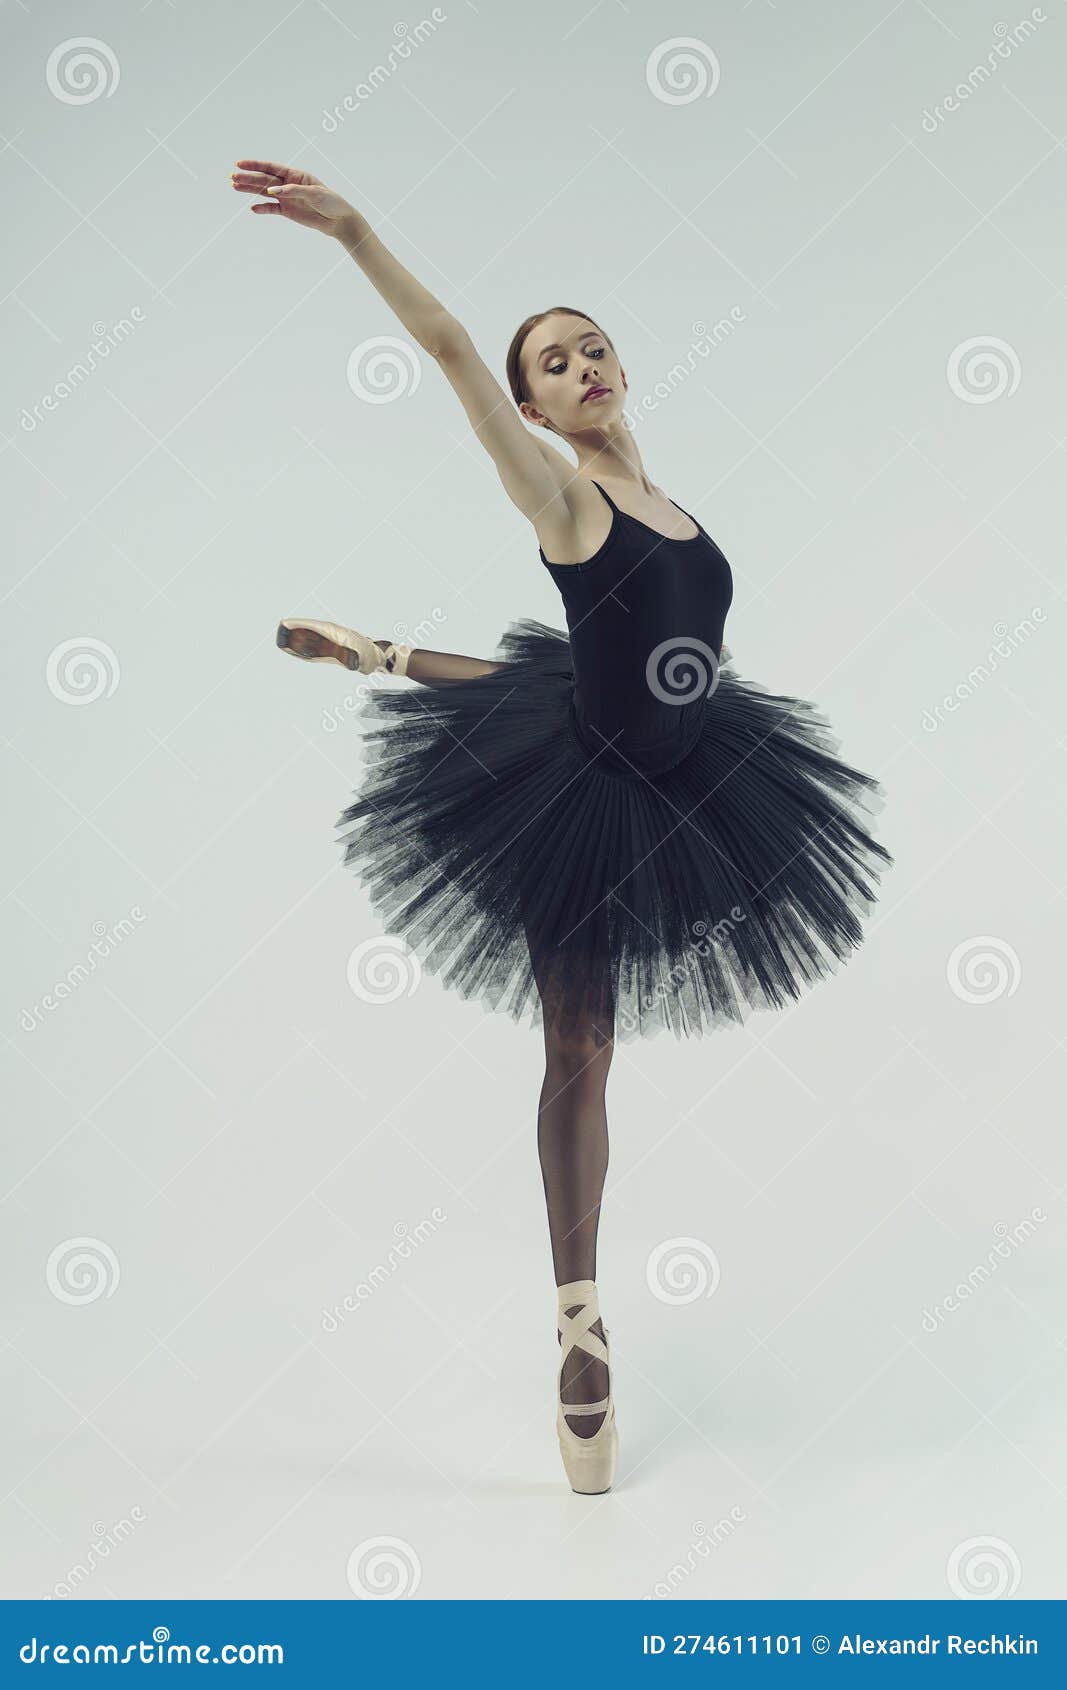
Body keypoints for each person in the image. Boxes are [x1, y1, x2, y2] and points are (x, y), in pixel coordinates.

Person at [232, 159, 894, 1496]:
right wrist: (357, 228)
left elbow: (587, 671)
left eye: (594, 346)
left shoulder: (670, 503)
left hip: (691, 759)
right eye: (555, 360)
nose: (581, 364)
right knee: (581, 1047)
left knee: (549, 687)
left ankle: (372, 643)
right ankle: (581, 1326)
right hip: (583, 803)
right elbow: (452, 353)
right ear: (533, 406)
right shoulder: (562, 499)